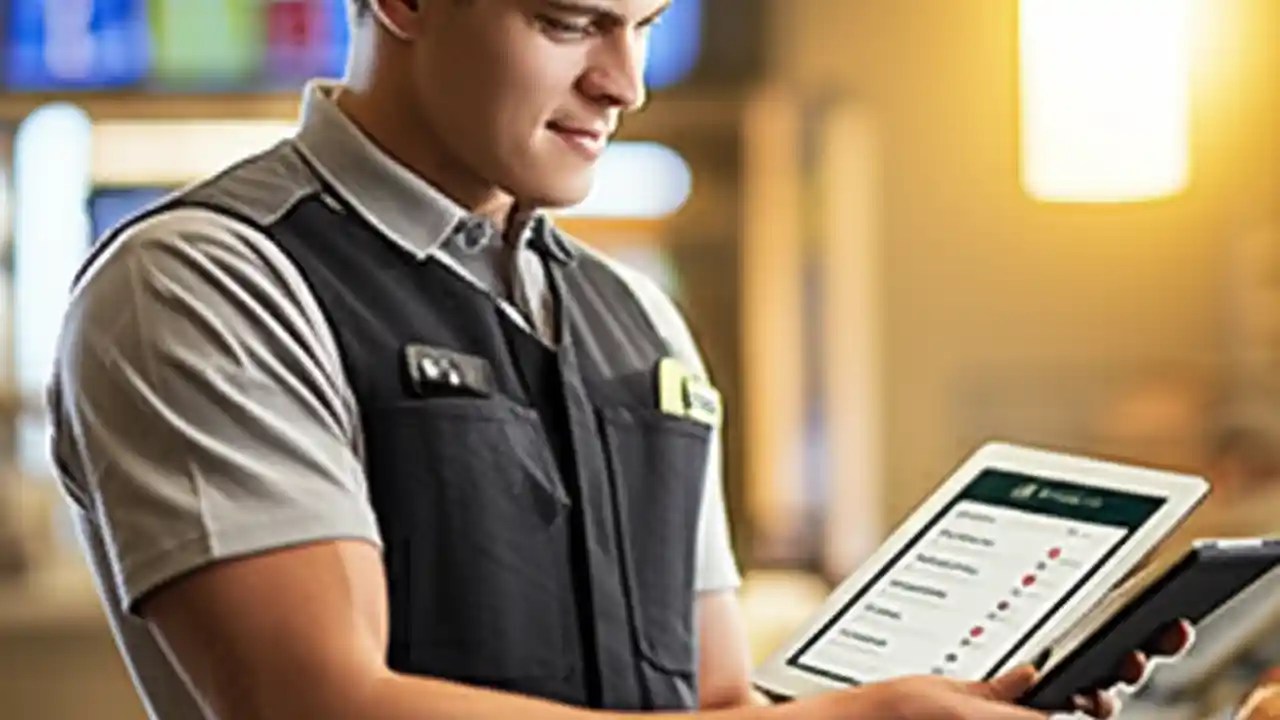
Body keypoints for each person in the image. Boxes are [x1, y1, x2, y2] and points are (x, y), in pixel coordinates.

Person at [49, 1, 1181, 718]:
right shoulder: (205, 281)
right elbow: (320, 707)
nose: (623, 83)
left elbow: (719, 702)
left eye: (641, 23)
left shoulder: (638, 321)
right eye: (568, 22)